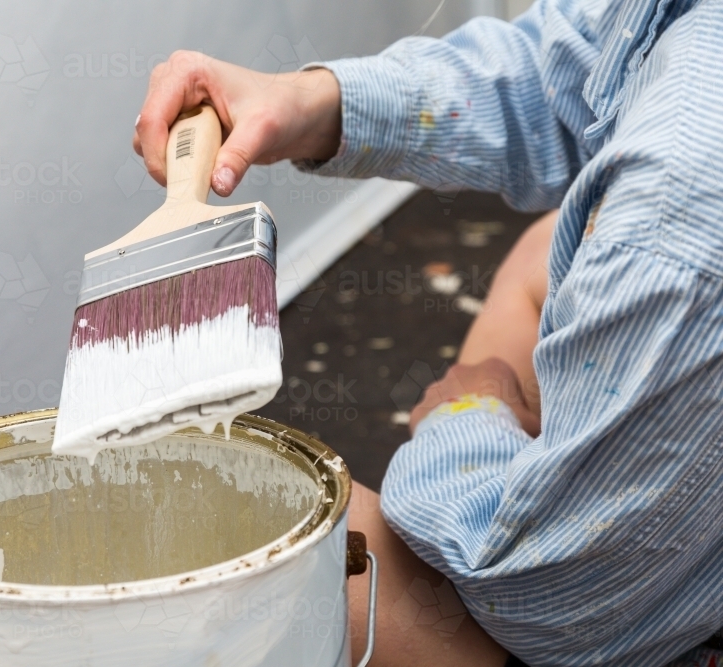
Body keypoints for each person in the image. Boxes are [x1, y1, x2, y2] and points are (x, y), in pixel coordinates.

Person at [133, 0, 723, 665]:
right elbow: (580, 65)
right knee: (547, 252)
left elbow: (558, 601)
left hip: (580, 611)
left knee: (260, 547)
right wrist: (316, 102)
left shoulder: (682, 217)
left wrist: (464, 417)